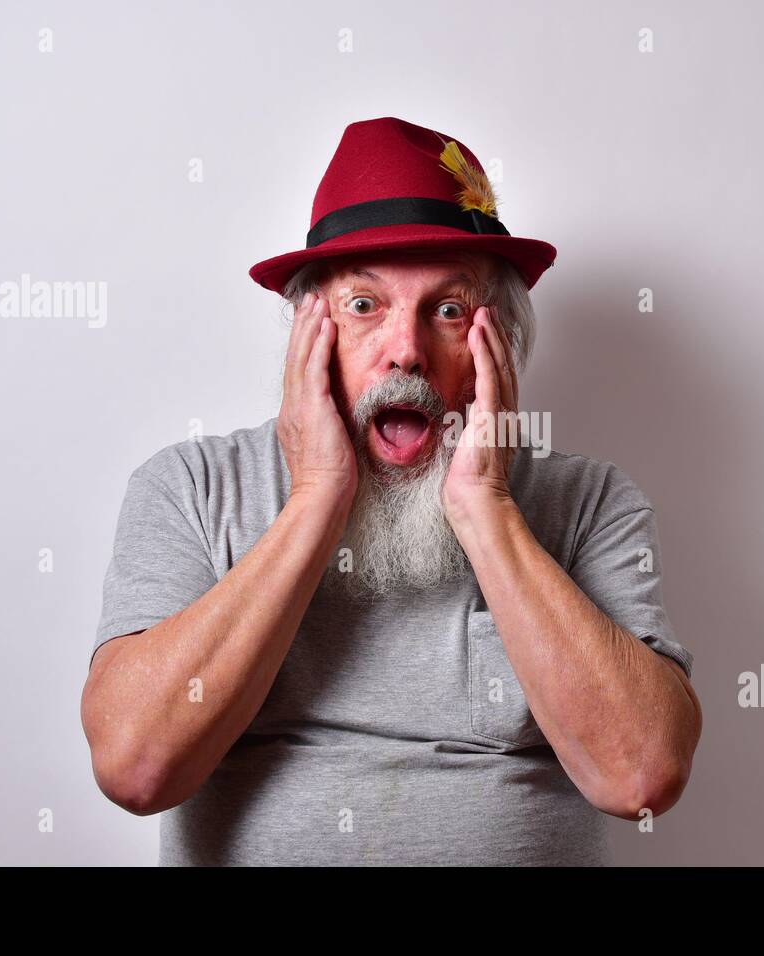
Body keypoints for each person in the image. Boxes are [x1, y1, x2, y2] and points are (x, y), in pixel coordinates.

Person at [80, 116, 701, 865]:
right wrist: (315, 498)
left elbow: (640, 775)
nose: (405, 349)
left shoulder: (592, 503)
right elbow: (135, 767)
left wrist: (488, 511)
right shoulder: (192, 488)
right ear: (311, 332)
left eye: (447, 310)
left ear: (498, 344)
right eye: (365, 305)